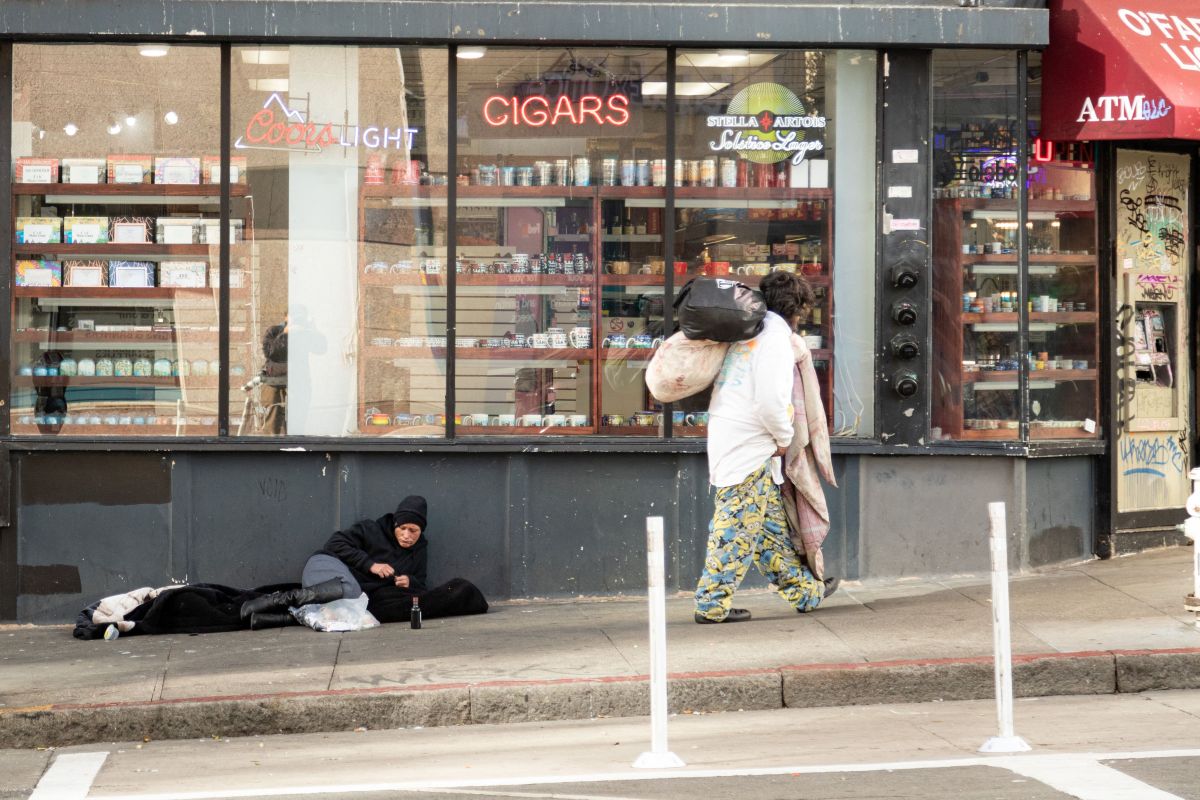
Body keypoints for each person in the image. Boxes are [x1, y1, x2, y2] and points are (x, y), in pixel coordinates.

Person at [693, 270, 838, 624]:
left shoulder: (752, 331)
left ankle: (805, 592)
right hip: (750, 444)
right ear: (798, 310)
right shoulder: (775, 341)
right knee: (735, 528)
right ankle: (711, 605)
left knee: (768, 530)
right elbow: (771, 402)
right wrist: (784, 439)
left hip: (732, 435)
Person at [241, 495, 488, 628]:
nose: (407, 535)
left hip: (352, 594)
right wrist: (371, 565)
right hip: (325, 564)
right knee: (351, 591)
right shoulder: (372, 529)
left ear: (421, 531)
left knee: (359, 611)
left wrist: (408, 581)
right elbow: (335, 544)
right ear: (394, 525)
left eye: (413, 531)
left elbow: (420, 583)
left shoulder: (419, 550)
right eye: (402, 528)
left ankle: (273, 618)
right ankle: (275, 600)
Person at [260, 316, 288, 435]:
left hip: (296, 381)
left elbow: (320, 349)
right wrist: (285, 334)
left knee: (296, 420)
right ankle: (272, 442)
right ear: (286, 317)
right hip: (273, 380)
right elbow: (270, 352)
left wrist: (312, 329)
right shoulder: (274, 331)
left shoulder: (305, 332)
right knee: (272, 417)